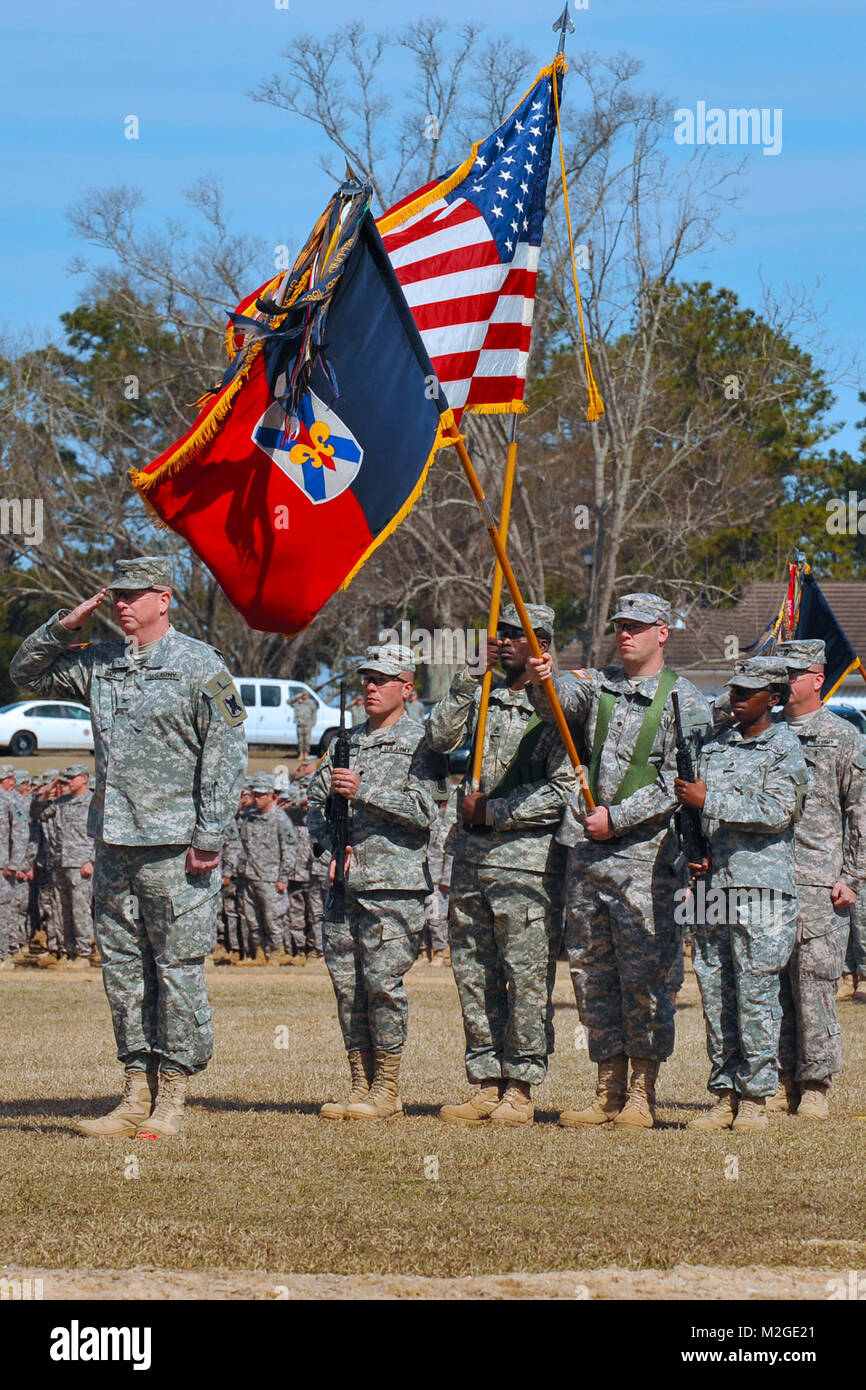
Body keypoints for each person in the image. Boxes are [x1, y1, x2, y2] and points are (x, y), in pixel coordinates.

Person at [10, 556, 247, 1139]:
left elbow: (225, 755)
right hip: (114, 838)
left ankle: (173, 1095)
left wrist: (210, 836)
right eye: (116, 594)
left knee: (176, 968)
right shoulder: (101, 663)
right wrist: (67, 625)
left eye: (135, 594)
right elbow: (27, 673)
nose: (122, 604)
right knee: (121, 969)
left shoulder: (200, 666)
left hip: (176, 845)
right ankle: (135, 1090)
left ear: (164, 598)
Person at [528, 593, 712, 1129]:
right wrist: (545, 677)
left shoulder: (686, 700)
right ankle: (606, 1089)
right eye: (619, 626)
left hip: (648, 859)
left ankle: (640, 1094)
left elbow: (681, 783)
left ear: (663, 632)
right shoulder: (597, 683)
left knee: (647, 976)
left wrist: (619, 817)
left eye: (635, 626)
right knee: (591, 973)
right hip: (589, 855)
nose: (624, 634)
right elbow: (557, 707)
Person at [428, 604, 575, 1127]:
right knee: (473, 973)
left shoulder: (557, 704)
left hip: (528, 860)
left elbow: (565, 787)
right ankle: (486, 1079)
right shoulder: (483, 694)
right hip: (470, 856)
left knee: (526, 976)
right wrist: (469, 675)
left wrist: (497, 812)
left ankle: (522, 1084)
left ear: (543, 645)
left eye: (519, 636)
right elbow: (440, 740)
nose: (506, 643)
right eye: (501, 634)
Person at [308, 644, 446, 1121]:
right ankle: (359, 1085)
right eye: (366, 678)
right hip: (342, 884)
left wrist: (366, 792)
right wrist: (329, 846)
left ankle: (386, 1090)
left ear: (406, 688)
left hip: (394, 881)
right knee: (347, 986)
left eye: (381, 679)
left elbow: (425, 811)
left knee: (383, 983)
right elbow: (315, 800)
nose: (369, 687)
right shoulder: (345, 742)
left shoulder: (423, 743)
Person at [675, 657, 809, 1133]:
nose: (735, 698)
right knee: (715, 989)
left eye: (746, 692)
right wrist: (692, 851)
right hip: (712, 888)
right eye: (733, 690)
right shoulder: (714, 747)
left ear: (773, 698)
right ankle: (724, 1093)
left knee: (755, 993)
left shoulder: (785, 749)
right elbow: (691, 814)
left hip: (762, 889)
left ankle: (755, 1097)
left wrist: (710, 801)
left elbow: (777, 810)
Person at [767, 640, 866, 1119]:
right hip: (767, 881)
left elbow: (860, 812)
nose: (784, 681)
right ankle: (782, 1078)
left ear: (817, 678)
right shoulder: (763, 734)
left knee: (815, 986)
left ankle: (815, 1084)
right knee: (773, 989)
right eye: (779, 673)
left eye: (793, 673)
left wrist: (853, 877)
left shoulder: (843, 736)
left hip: (822, 885)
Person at [235, 773, 299, 966]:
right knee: (252, 920)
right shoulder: (247, 816)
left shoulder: (280, 819)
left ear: (272, 796)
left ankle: (277, 954)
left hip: (271, 878)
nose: (256, 799)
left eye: (260, 795)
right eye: (254, 795)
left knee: (274, 920)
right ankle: (259, 954)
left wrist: (284, 876)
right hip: (249, 876)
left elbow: (289, 848)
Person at [52, 764, 96, 970]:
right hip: (61, 863)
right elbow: (38, 812)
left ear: (85, 779)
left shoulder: (93, 803)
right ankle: (70, 952)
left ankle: (84, 953)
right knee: (63, 910)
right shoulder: (61, 803)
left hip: (81, 864)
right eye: (67, 778)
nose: (68, 781)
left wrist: (92, 860)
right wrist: (46, 790)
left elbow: (101, 835)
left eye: (73, 778)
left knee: (80, 910)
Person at [290, 690, 317, 761]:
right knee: (300, 740)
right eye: (303, 695)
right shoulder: (298, 702)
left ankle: (306, 754)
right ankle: (301, 754)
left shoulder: (311, 703)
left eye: (305, 695)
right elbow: (289, 702)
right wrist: (296, 697)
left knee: (307, 740)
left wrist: (313, 722)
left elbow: (314, 713)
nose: (304, 696)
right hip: (300, 724)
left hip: (308, 724)